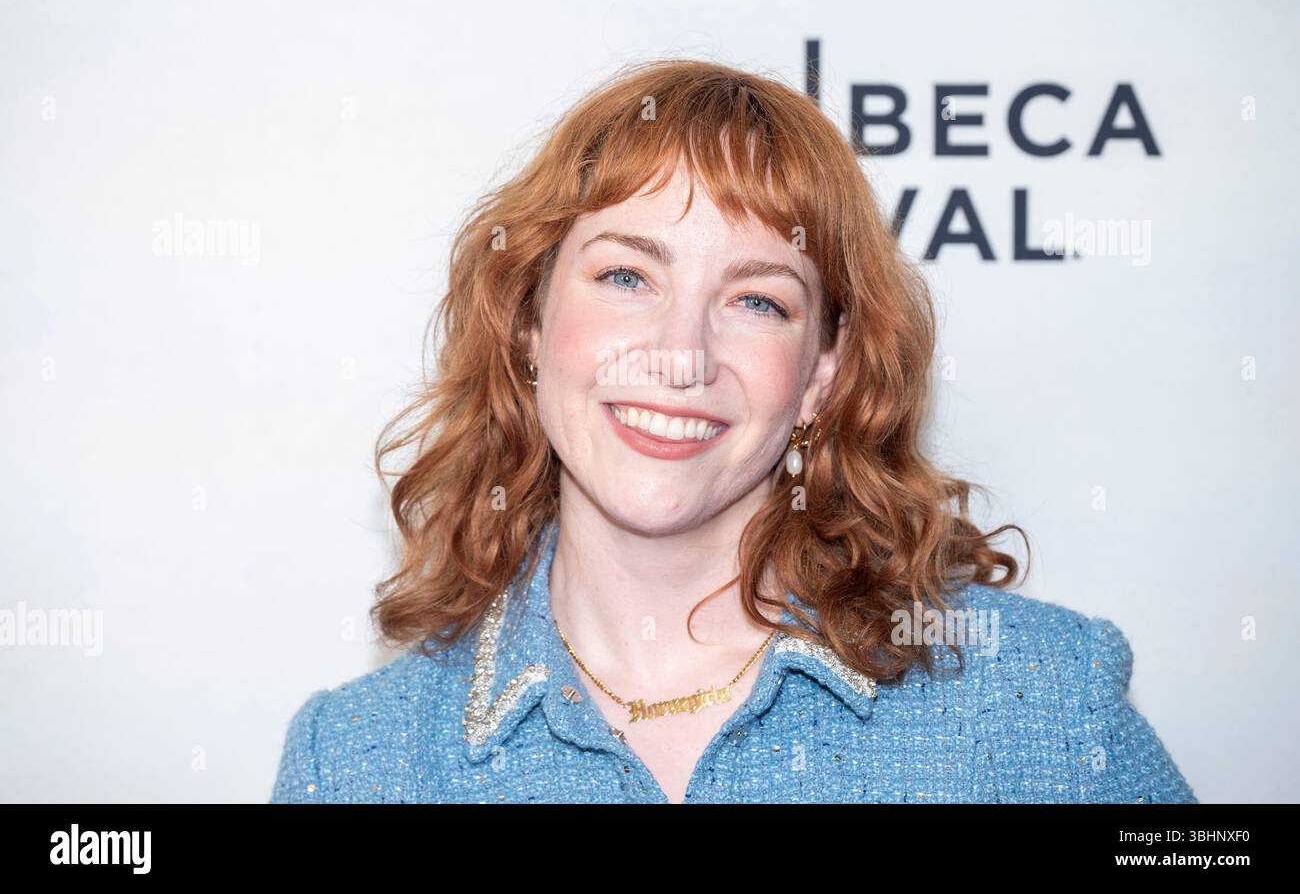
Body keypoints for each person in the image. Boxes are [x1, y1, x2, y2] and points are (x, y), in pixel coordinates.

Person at [270, 58, 1197, 803]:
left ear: (822, 372)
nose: (681, 354)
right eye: (628, 276)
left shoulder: (1044, 702)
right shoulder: (355, 761)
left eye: (757, 299)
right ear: (528, 321)